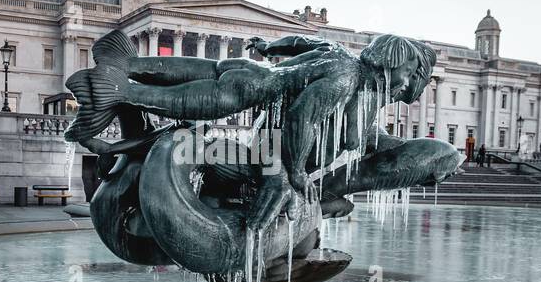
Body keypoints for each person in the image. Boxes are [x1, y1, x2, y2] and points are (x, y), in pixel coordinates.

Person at [66, 29, 463, 228]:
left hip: (259, 110)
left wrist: (269, 47)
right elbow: (301, 118)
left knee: (206, 77)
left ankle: (127, 73)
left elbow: (302, 41)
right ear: (396, 62)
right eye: (412, 75)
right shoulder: (346, 76)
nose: (409, 87)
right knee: (206, 97)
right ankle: (122, 88)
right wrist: (291, 173)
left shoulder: (356, 81)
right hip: (262, 121)